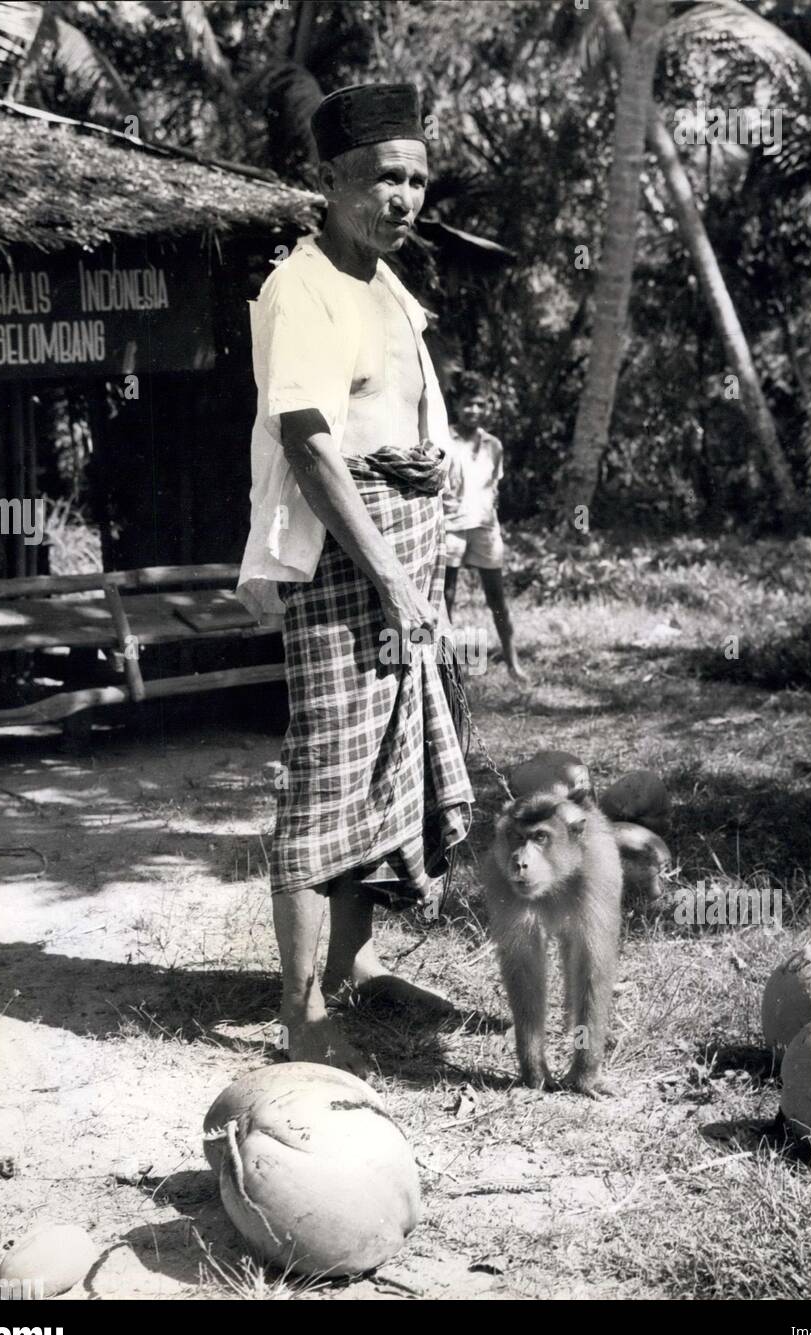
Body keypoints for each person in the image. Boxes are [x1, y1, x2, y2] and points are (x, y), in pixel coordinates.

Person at [236, 83, 473, 1075]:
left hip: (409, 550)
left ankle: (354, 958)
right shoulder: (305, 286)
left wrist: (435, 549)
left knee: (389, 768)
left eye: (417, 178)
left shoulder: (385, 286)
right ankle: (301, 1011)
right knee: (325, 777)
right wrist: (387, 577)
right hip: (348, 558)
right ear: (328, 180)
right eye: (384, 176)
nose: (404, 195)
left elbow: (408, 424)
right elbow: (311, 444)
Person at [442, 376, 524, 680]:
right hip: (450, 525)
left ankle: (513, 661)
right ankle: (445, 667)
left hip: (485, 526)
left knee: (496, 597)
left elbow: (493, 487)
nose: (473, 410)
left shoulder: (494, 445)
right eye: (467, 403)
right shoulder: (443, 438)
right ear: (456, 405)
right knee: (445, 596)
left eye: (480, 404)